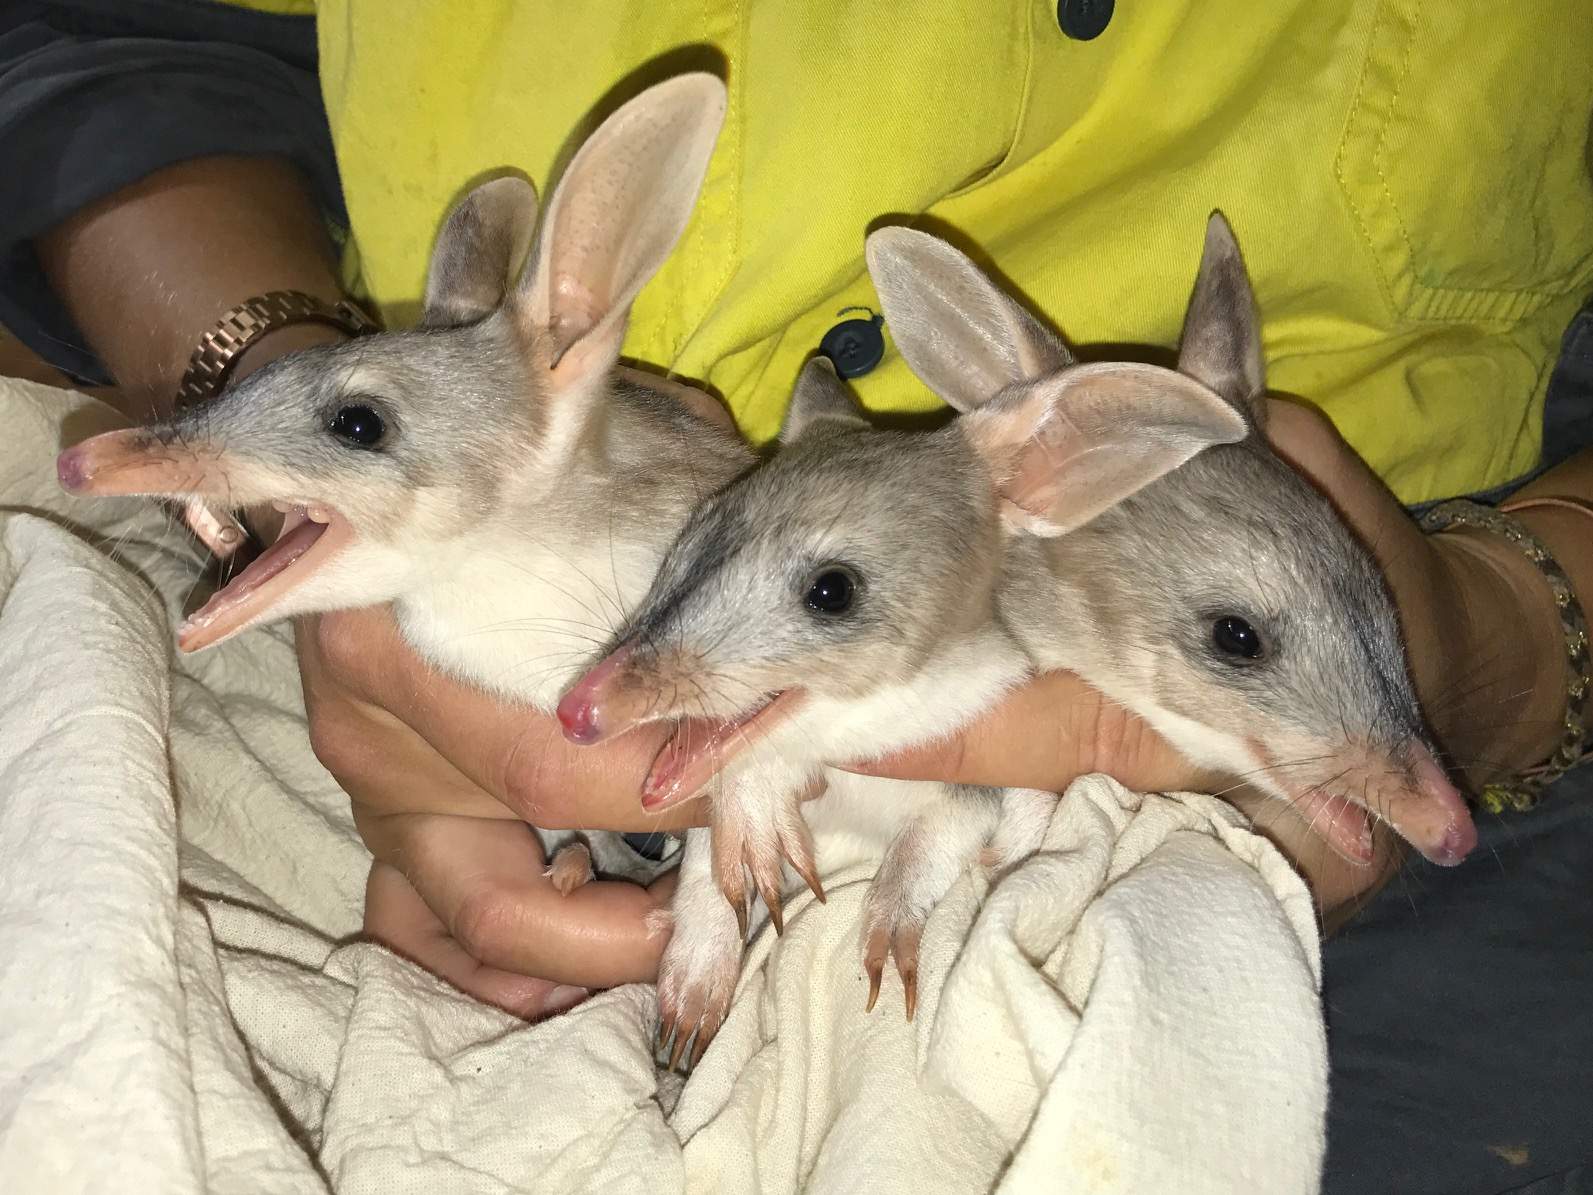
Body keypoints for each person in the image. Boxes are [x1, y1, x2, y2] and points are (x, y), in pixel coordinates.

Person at [2, 3, 1591, 1190]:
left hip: (1437, 722)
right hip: (402, 643)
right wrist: (343, 428)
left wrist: (1514, 641)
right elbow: (118, 38)